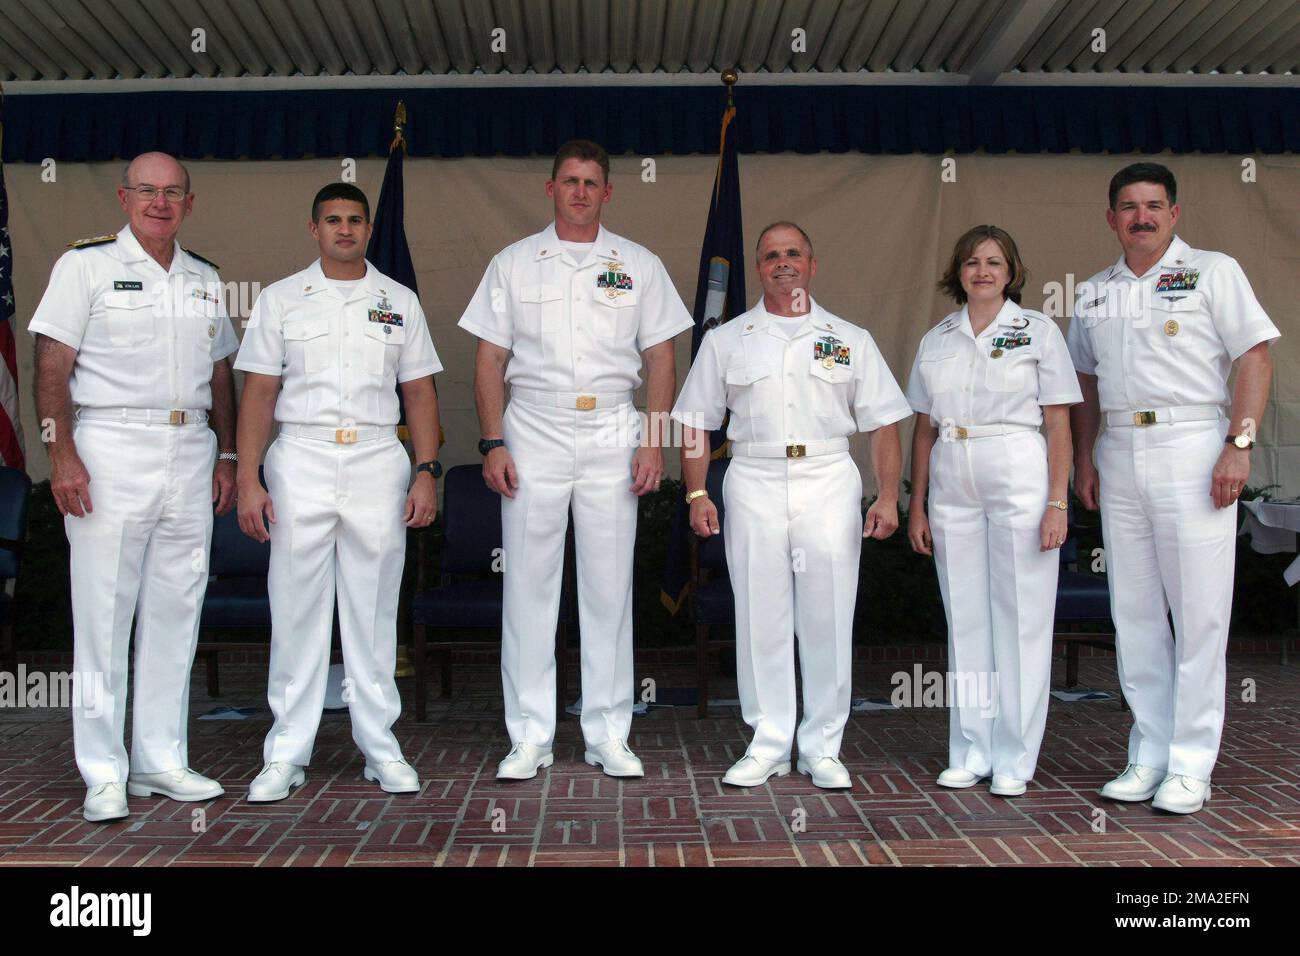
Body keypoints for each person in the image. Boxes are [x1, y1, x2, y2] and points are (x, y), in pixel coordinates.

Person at [458, 139, 693, 780]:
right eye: (570, 180)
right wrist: (492, 441)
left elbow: (662, 358)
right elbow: (489, 360)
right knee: (530, 585)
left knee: (609, 585)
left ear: (608, 191)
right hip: (531, 424)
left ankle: (608, 731)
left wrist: (652, 440)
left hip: (614, 427)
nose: (581, 192)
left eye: (592, 182)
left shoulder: (638, 264)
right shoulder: (513, 263)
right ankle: (529, 736)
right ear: (550, 187)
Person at [29, 152, 238, 822]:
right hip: (110, 445)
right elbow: (52, 366)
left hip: (189, 446)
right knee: (103, 614)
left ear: (189, 202)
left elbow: (222, 373)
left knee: (178, 608)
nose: (159, 202)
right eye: (147, 191)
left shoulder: (205, 277)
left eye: (173, 192)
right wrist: (61, 456)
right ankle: (102, 770)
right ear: (124, 197)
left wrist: (228, 454)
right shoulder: (84, 266)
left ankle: (159, 759)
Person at [1068, 163, 1278, 814]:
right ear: (1111, 219)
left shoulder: (1214, 271)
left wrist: (1238, 445)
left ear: (1175, 213)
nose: (1142, 217)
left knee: (1198, 614)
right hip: (1121, 451)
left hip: (1193, 445)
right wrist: (1084, 460)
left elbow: (1254, 358)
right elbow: (1086, 384)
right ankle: (1148, 752)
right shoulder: (1094, 293)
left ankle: (1190, 764)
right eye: (1128, 207)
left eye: (1154, 205)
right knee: (1134, 613)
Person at [672, 222, 911, 789]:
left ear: (812, 264)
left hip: (827, 476)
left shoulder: (850, 338)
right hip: (752, 476)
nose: (783, 263)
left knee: (828, 612)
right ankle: (769, 740)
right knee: (761, 614)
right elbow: (693, 422)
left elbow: (882, 425)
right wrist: (698, 491)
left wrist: (885, 496)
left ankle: (824, 744)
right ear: (759, 269)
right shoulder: (727, 339)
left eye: (794, 253)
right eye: (772, 255)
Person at [234, 183, 442, 801]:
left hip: (378, 455)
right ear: (313, 228)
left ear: (369, 228)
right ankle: (286, 753)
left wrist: (426, 470)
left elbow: (421, 393)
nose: (344, 229)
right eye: (333, 220)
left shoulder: (397, 300)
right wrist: (247, 478)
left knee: (373, 607)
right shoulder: (280, 301)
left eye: (354, 220)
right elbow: (259, 394)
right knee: (296, 606)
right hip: (301, 454)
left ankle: (380, 745)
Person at [905, 225, 1082, 797]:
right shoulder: (937, 338)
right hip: (954, 469)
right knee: (967, 618)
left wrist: (1058, 500)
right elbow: (923, 428)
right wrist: (918, 504)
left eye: (994, 261)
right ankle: (971, 748)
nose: (983, 270)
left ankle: (1014, 755)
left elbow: (1059, 422)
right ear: (957, 272)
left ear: (1012, 271)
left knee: (1022, 617)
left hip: (1017, 464)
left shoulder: (1038, 331)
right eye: (972, 262)